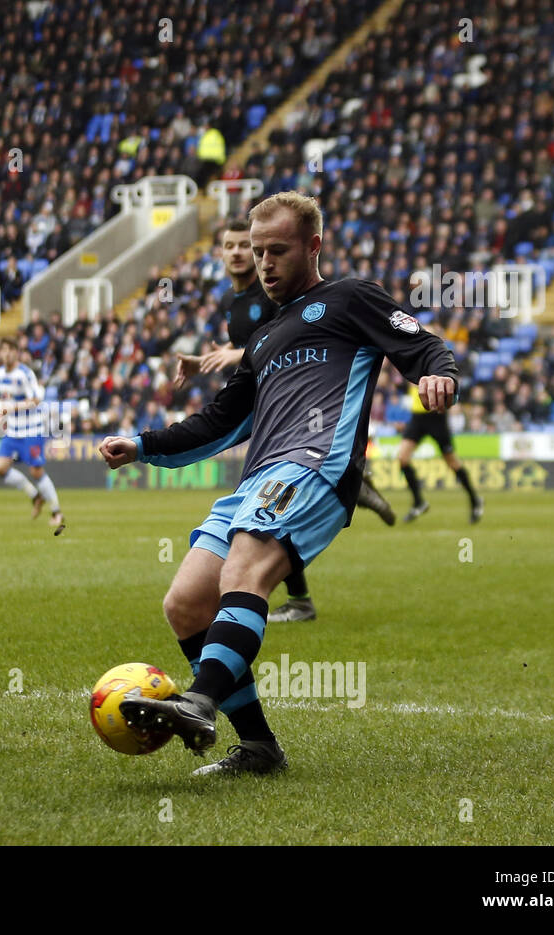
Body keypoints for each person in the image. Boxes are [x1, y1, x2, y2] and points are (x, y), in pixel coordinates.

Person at [99, 192, 459, 777]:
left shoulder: (349, 298)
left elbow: (421, 342)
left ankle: (198, 701)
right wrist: (141, 445)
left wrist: (439, 375)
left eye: (278, 250)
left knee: (244, 573)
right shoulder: (263, 338)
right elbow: (218, 423)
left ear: (313, 246)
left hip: (316, 467)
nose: (264, 263)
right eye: (258, 251)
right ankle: (259, 747)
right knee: (186, 604)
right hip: (260, 476)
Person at [173, 219, 395, 629]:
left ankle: (293, 595)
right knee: (265, 511)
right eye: (233, 246)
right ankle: (300, 594)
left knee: (267, 510)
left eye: (249, 246)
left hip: (295, 412)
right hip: (266, 406)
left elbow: (297, 334)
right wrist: (220, 356)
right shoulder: (234, 302)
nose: (244, 254)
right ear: (221, 254)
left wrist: (235, 356)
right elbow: (259, 347)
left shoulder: (273, 289)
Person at [0, 337, 66, 535]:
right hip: (13, 431)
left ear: (16, 352)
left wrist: (10, 408)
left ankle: (57, 512)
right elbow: (5, 401)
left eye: (9, 349)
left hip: (32, 430)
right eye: (3, 350)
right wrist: (0, 419)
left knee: (36, 472)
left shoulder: (25, 373)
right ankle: (35, 496)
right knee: (0, 468)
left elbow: (35, 400)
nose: (5, 353)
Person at [398, 381, 484, 523]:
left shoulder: (427, 361)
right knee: (402, 458)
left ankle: (475, 500)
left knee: (452, 462)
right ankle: (419, 502)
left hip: (435, 416)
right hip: (417, 417)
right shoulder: (409, 363)